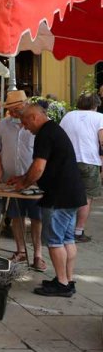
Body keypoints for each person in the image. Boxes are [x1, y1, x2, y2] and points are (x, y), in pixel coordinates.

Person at [10, 104, 87, 297]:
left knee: (55, 241)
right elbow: (39, 166)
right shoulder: (53, 130)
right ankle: (67, 279)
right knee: (67, 239)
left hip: (58, 196)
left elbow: (38, 167)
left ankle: (61, 283)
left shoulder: (44, 134)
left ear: (35, 117)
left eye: (26, 122)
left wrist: (24, 184)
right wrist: (22, 178)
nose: (25, 127)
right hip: (72, 193)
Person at [0, 90, 45, 271]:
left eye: (16, 109)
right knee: (15, 216)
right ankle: (20, 251)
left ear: (26, 105)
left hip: (35, 181)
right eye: (10, 110)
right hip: (12, 180)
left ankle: (37, 255)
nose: (13, 113)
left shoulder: (38, 125)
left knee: (37, 218)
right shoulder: (3, 125)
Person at [59, 92, 103, 243]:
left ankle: (63, 228)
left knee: (68, 194)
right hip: (90, 161)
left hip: (67, 161)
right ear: (95, 105)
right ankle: (78, 231)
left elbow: (60, 137)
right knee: (87, 197)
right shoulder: (99, 118)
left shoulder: (68, 116)